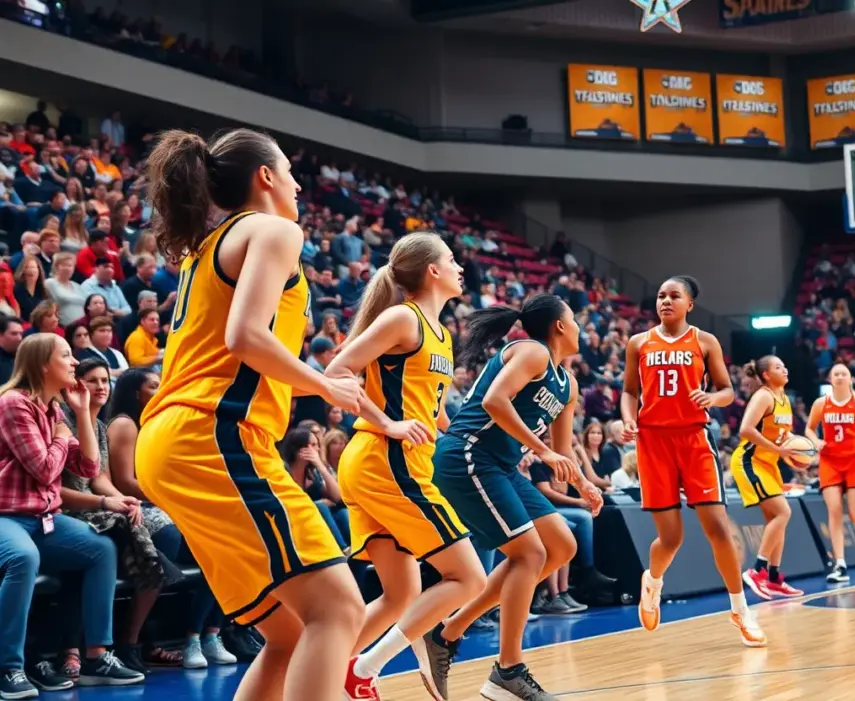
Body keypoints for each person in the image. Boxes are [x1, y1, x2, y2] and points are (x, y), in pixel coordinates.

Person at [133, 128, 366, 701]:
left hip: (181, 438)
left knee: (287, 633)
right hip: (209, 434)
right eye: (288, 169)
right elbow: (245, 336)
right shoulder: (273, 229)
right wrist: (324, 386)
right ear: (265, 176)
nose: (295, 182)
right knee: (338, 608)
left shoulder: (210, 245)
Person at [323, 232, 486, 700]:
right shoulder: (402, 318)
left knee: (399, 595)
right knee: (469, 577)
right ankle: (363, 669)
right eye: (451, 260)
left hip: (392, 464)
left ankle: (319, 674)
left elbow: (430, 411)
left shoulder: (443, 335)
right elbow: (337, 371)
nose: (460, 267)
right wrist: (388, 423)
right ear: (431, 271)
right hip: (384, 461)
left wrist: (465, 439)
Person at [431, 294, 603, 701]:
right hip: (468, 453)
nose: (579, 326)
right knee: (530, 554)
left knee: (561, 545)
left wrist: (584, 484)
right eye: (574, 319)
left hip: (500, 466)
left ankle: (448, 631)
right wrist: (541, 451)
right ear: (560, 326)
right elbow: (494, 401)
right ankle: (507, 669)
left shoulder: (568, 384)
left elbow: (562, 450)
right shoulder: (531, 352)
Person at [620, 276, 766, 646]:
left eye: (674, 296)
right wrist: (627, 418)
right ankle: (651, 584)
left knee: (718, 527)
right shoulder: (639, 343)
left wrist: (712, 399)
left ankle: (740, 610)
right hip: (653, 442)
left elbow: (728, 390)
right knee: (670, 539)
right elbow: (628, 391)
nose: (666, 301)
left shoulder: (704, 340)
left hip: (694, 438)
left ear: (690, 304)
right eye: (660, 296)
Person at [0, 334, 145, 700]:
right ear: (43, 364)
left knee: (100, 549)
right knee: (22, 556)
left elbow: (88, 465)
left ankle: (95, 657)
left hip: (44, 518)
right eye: (66, 355)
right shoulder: (13, 404)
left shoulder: (53, 409)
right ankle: (7, 667)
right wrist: (64, 436)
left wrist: (80, 413)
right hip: (7, 517)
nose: (74, 363)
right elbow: (45, 469)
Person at [107, 368, 236, 670]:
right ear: (135, 393)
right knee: (181, 539)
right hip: (134, 506)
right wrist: (173, 497)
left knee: (226, 550)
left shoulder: (155, 425)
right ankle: (169, 638)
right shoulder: (125, 424)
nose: (160, 389)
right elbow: (125, 482)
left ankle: (205, 635)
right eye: (153, 386)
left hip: (158, 503)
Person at [729, 356, 803, 600]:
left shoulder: (784, 399)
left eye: (785, 365)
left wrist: (795, 453)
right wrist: (778, 449)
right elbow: (745, 430)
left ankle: (773, 578)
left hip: (768, 464)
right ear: (767, 375)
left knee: (777, 519)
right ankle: (757, 571)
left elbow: (782, 436)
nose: (785, 368)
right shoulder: (764, 396)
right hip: (749, 462)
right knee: (783, 513)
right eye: (778, 367)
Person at [805, 363, 855, 584]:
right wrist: (815, 441)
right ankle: (840, 564)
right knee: (834, 510)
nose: (839, 377)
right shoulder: (821, 403)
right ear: (830, 380)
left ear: (850, 379)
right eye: (836, 374)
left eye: (844, 374)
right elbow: (809, 428)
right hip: (830, 461)